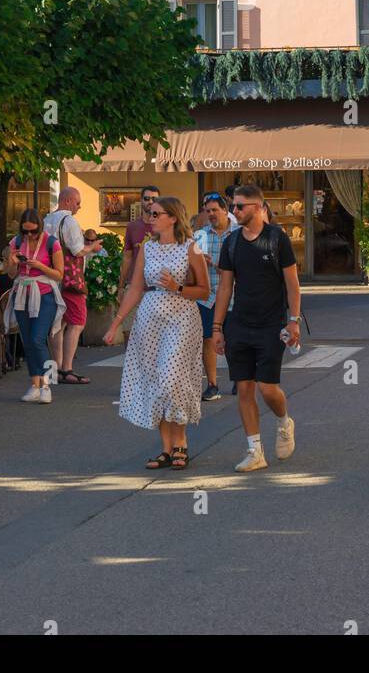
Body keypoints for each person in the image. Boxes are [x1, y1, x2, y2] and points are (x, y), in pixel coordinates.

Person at [104, 196, 208, 470]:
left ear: (172, 217)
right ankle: (166, 449)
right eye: (149, 213)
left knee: (172, 378)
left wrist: (177, 287)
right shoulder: (148, 249)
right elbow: (136, 288)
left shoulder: (190, 248)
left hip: (182, 317)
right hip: (149, 318)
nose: (150, 217)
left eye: (155, 213)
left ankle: (181, 441)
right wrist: (116, 324)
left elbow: (205, 291)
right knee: (154, 380)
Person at [213, 184, 300, 472]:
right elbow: (225, 287)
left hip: (271, 324)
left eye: (239, 206)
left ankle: (284, 421)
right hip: (239, 324)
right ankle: (255, 451)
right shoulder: (232, 243)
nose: (234, 211)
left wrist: (294, 320)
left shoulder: (277, 239)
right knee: (245, 387)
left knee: (267, 388)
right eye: (233, 206)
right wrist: (217, 327)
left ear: (257, 207)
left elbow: (292, 283)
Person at [44, 187, 102, 385]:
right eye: (77, 203)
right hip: (70, 280)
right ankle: (67, 368)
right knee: (77, 322)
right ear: (67, 201)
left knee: (57, 323)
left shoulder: (46, 220)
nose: (79, 206)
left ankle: (55, 369)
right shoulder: (69, 221)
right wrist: (93, 247)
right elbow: (77, 251)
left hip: (51, 278)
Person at [8, 209, 64, 403]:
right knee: (28, 341)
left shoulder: (51, 243)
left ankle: (48, 384)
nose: (29, 235)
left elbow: (59, 275)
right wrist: (13, 262)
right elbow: (10, 274)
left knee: (38, 339)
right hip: (22, 293)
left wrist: (39, 266)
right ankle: (35, 385)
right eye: (25, 231)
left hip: (45, 294)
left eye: (33, 231)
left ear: (40, 228)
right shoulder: (16, 242)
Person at [193, 192, 237, 401]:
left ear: (225, 210)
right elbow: (189, 266)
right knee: (208, 339)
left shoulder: (238, 233)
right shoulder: (200, 235)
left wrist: (225, 267)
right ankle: (212, 384)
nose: (210, 214)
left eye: (214, 210)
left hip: (234, 295)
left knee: (235, 338)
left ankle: (239, 378)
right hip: (208, 296)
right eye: (207, 210)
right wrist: (198, 261)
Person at [117, 185, 160, 345]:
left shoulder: (165, 226)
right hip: (134, 285)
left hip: (157, 288)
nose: (150, 202)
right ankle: (133, 367)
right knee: (129, 332)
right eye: (147, 198)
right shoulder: (133, 226)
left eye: (154, 199)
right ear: (141, 201)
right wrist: (121, 286)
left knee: (154, 335)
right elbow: (127, 257)